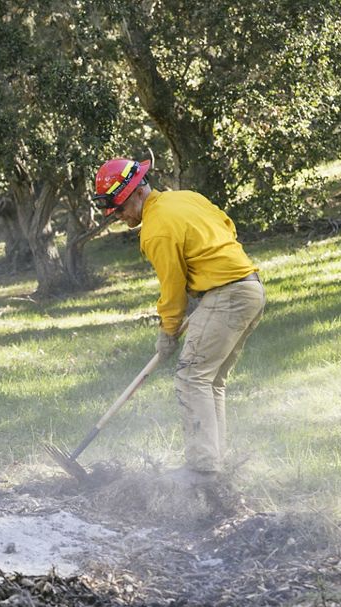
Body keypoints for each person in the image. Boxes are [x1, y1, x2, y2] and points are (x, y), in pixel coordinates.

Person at [92, 158, 265, 486]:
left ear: (136, 193)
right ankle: (215, 464)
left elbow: (173, 289)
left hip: (226, 294)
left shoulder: (156, 229)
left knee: (190, 378)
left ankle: (202, 469)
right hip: (250, 288)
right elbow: (226, 227)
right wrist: (208, 273)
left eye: (118, 208)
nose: (116, 215)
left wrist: (168, 331)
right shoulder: (185, 197)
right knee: (210, 380)